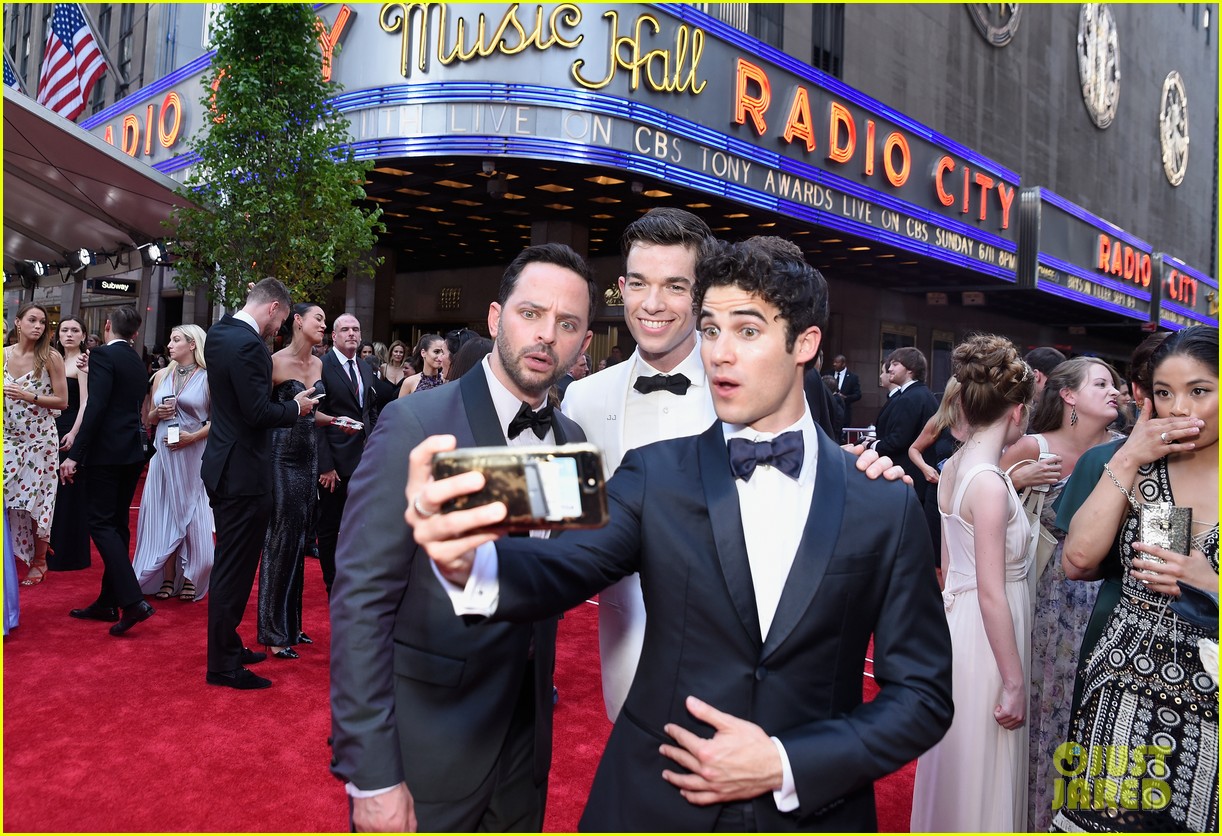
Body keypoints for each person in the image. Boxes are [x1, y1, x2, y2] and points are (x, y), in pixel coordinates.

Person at [410, 238, 953, 831]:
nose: (719, 353)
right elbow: (559, 563)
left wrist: (784, 763)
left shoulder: (884, 502)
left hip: (811, 813)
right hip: (652, 800)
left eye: (747, 332)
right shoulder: (654, 472)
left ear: (806, 343)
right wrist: (471, 561)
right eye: (712, 329)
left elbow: (923, 698)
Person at [330, 244, 596, 832]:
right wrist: (370, 774)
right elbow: (360, 601)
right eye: (532, 314)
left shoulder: (572, 438)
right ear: (497, 319)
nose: (547, 335)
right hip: (428, 747)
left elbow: (548, 578)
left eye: (568, 323)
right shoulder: (416, 423)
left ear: (583, 341)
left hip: (525, 746)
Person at [1058, 325, 1218, 833]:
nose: (1180, 409)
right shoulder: (1141, 467)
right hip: (1123, 691)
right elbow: (1077, 558)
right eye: (1166, 393)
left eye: (1200, 391)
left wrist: (1210, 584)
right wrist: (1128, 457)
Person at [909, 335, 1036, 832]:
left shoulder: (955, 466)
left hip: (960, 626)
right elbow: (990, 590)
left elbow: (949, 568)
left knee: (962, 755)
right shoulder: (989, 482)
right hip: (989, 636)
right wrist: (1013, 681)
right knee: (985, 759)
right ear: (1017, 412)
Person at [999, 357, 1124, 831]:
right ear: (1068, 395)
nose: (1113, 392)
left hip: (1108, 595)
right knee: (1051, 700)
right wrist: (1013, 481)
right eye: (1100, 383)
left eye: (1115, 384)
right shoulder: (1033, 445)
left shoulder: (1125, 452)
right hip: (1051, 597)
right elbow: (963, 489)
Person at [201, 278, 319, 690]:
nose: (279, 329)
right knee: (233, 571)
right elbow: (256, 412)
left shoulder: (218, 332)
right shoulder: (250, 345)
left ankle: (228, 648)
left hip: (222, 464)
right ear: (272, 308)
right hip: (243, 473)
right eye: (282, 320)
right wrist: (297, 408)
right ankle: (222, 665)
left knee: (230, 566)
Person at [61, 306, 156, 635]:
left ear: (106, 326)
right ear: (135, 332)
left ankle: (131, 601)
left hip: (106, 453)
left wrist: (75, 453)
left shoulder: (101, 355)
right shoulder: (136, 360)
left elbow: (97, 406)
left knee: (101, 524)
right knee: (116, 524)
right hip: (131, 453)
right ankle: (108, 601)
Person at [258, 304, 327, 658]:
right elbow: (262, 415)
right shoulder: (274, 362)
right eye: (319, 319)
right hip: (281, 458)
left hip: (309, 456)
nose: (324, 326)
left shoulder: (318, 364)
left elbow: (310, 413)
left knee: (299, 541)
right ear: (298, 321)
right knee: (280, 541)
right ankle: (272, 631)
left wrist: (334, 421)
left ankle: (292, 624)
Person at [131, 324, 214, 602]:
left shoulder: (208, 377)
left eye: (176, 339)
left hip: (194, 454)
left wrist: (193, 437)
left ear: (193, 344)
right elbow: (149, 420)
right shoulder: (161, 375)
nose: (169, 344)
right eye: (170, 338)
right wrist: (157, 412)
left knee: (193, 515)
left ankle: (192, 575)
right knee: (162, 515)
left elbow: (219, 421)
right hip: (163, 456)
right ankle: (166, 577)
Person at [3, 303, 69, 586]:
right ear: (18, 323)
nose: (39, 326)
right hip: (7, 438)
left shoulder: (50, 357)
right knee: (7, 495)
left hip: (40, 440)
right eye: (32, 320)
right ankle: (10, 555)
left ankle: (40, 561)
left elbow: (63, 402)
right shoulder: (3, 356)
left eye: (43, 322)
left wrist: (28, 396)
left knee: (38, 501)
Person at [315, 312, 378, 597]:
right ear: (334, 336)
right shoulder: (323, 367)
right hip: (334, 465)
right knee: (329, 528)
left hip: (363, 461)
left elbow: (369, 411)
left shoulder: (365, 368)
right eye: (345, 330)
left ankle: (353, 578)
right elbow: (315, 419)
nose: (351, 333)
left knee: (359, 526)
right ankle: (332, 583)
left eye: (356, 329)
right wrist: (325, 465)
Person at [49, 316, 92, 572]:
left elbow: (87, 402)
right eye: (64, 329)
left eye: (75, 330)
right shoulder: (53, 359)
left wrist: (75, 433)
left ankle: (68, 555)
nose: (69, 334)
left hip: (70, 429)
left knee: (69, 490)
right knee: (51, 491)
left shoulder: (84, 362)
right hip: (48, 428)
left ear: (83, 335)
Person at [870, 346, 940, 504]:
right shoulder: (918, 394)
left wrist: (871, 446)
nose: (889, 368)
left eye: (895, 364)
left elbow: (899, 440)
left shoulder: (911, 397)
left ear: (911, 369)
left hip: (910, 478)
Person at [830, 354, 862, 433]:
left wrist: (845, 397)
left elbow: (858, 395)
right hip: (829, 412)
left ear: (843, 364)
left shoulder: (852, 377)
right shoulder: (828, 374)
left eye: (837, 362)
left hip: (844, 413)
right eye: (834, 362)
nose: (834, 364)